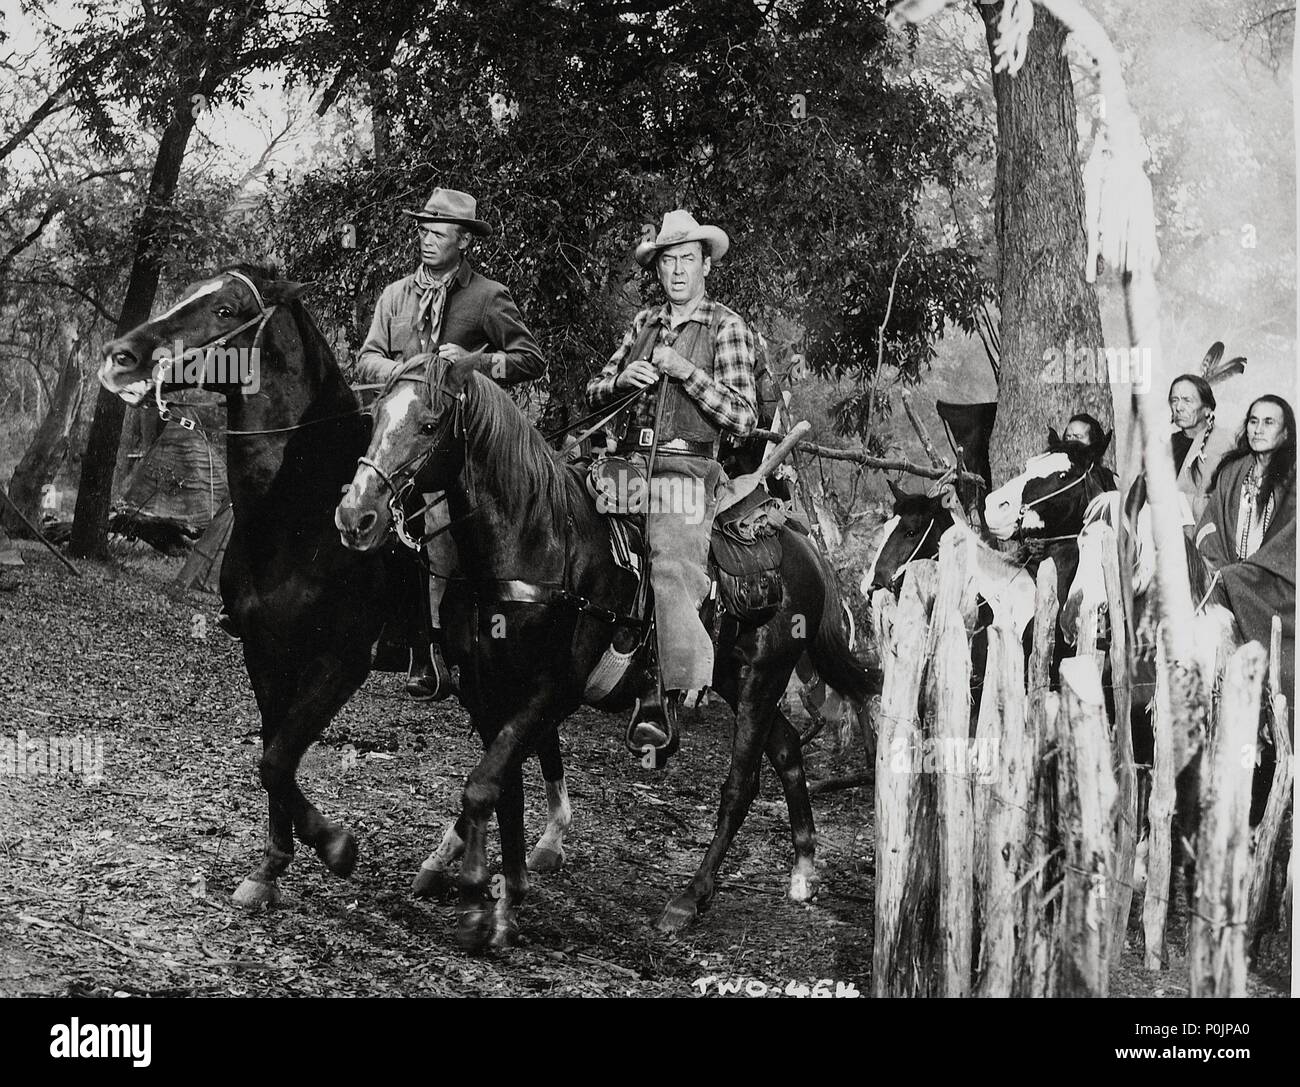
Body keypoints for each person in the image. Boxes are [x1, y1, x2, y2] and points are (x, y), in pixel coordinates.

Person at [354, 187, 546, 699]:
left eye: (440, 233)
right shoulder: (395, 296)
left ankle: (432, 647)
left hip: (459, 442)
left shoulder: (487, 297)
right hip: (400, 431)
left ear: (463, 241)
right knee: (357, 495)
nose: (428, 241)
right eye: (423, 231)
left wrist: (476, 364)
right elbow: (367, 358)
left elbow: (530, 359)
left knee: (439, 527)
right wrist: (404, 372)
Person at [586, 210, 758, 753]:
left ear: (706, 264)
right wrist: (618, 380)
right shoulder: (644, 325)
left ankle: (660, 694)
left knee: (669, 550)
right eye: (668, 261)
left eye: (688, 259)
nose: (678, 270)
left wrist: (686, 372)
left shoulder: (726, 327)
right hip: (629, 463)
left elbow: (744, 416)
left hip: (688, 469)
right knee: (568, 521)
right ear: (658, 270)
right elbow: (592, 389)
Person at [1195, 394, 1296, 706]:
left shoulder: (1294, 478)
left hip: (1273, 586)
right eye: (1253, 421)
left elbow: (1290, 545)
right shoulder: (1232, 472)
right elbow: (1209, 526)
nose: (1258, 429)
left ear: (1286, 433)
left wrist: (1240, 576)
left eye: (1268, 422)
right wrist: (1220, 569)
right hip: (1228, 577)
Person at [1169, 373, 1233, 525]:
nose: (1179, 407)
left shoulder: (1224, 443)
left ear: (1207, 409)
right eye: (1174, 400)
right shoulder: (1164, 446)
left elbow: (1228, 501)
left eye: (1187, 401)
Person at [1060, 411, 1117, 491]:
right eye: (1068, 437)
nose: (1071, 442)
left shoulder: (1107, 479)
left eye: (1078, 437)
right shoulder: (1057, 476)